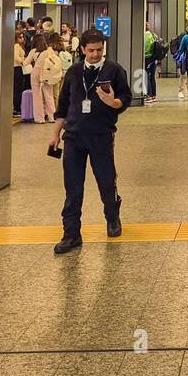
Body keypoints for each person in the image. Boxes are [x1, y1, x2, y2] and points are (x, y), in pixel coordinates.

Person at [51, 29, 130, 252]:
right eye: (92, 50)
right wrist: (55, 134)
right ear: (83, 49)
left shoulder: (114, 70)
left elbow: (125, 99)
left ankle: (112, 216)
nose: (96, 54)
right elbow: (63, 106)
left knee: (106, 182)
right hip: (74, 137)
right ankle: (71, 233)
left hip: (101, 136)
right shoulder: (74, 72)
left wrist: (111, 101)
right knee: (73, 188)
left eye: (100, 50)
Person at [35, 32, 65, 122]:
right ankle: (56, 113)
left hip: (49, 75)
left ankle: (51, 114)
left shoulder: (48, 50)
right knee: (56, 95)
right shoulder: (61, 48)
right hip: (58, 73)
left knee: (48, 96)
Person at [144, 20, 162, 104]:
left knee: (146, 76)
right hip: (154, 58)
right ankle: (154, 95)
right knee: (152, 77)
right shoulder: (154, 35)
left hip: (147, 58)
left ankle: (149, 95)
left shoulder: (144, 36)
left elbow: (144, 48)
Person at [12, 30, 27, 116]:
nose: (22, 39)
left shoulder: (18, 46)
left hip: (18, 68)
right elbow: (16, 58)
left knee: (18, 89)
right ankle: (17, 108)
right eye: (20, 37)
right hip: (17, 68)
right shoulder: (16, 46)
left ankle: (17, 107)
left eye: (22, 37)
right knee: (18, 89)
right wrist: (23, 61)